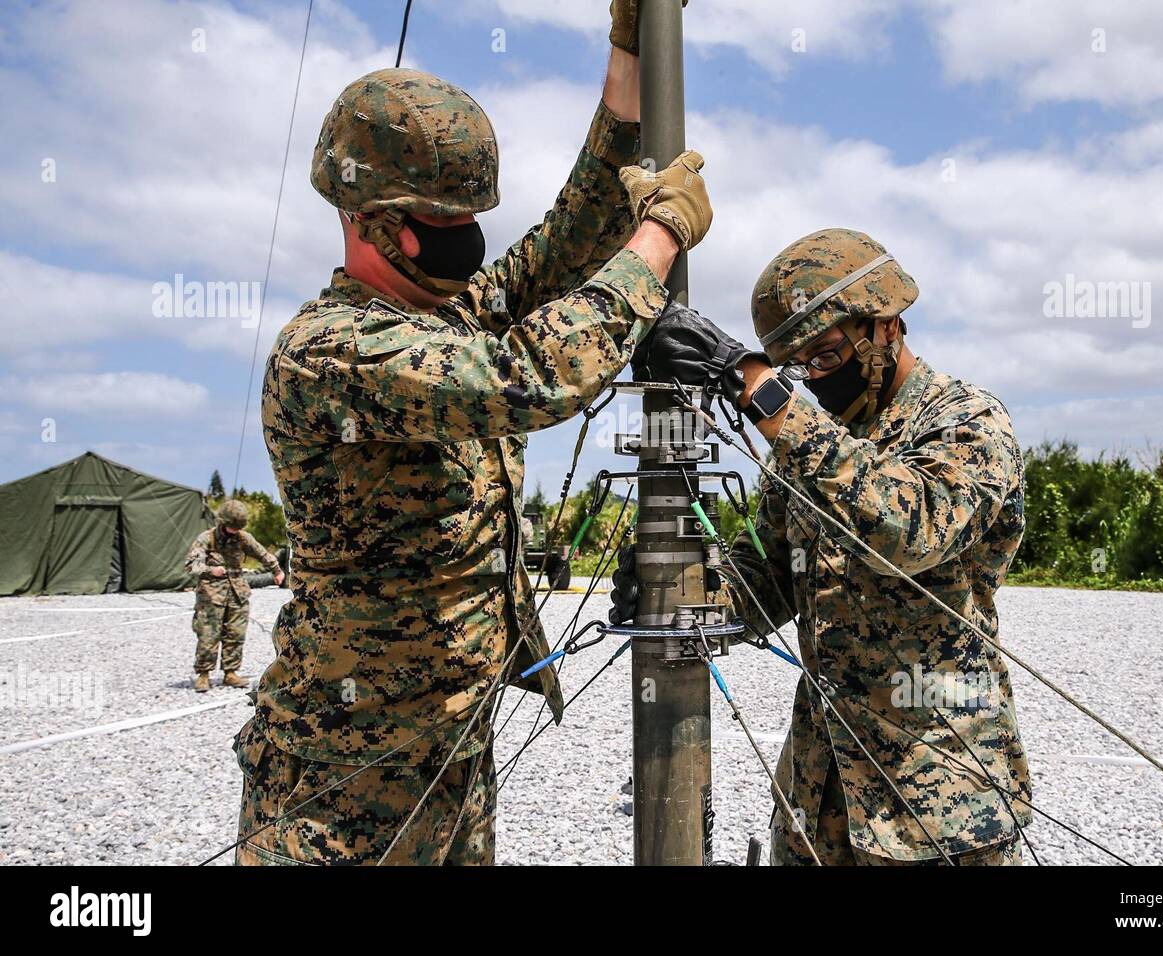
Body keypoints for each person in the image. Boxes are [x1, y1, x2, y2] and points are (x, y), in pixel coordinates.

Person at [234, 2, 712, 865]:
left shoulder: (444, 315)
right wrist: (661, 236)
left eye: (469, 219)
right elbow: (528, 377)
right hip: (340, 788)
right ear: (371, 223)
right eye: (443, 225)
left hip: (448, 756)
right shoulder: (332, 351)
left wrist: (630, 45)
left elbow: (567, 239)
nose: (467, 243)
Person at [616, 227, 1032, 865]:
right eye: (799, 366)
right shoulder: (815, 443)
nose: (813, 377)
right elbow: (775, 578)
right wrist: (681, 592)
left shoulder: (967, 421)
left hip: (936, 790)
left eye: (828, 356)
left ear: (887, 324)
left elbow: (915, 530)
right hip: (820, 784)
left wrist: (763, 391)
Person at [187, 499, 283, 693]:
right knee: (208, 635)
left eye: (236, 527)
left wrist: (277, 570)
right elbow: (191, 565)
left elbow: (262, 553)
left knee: (236, 634)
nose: (233, 530)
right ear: (222, 522)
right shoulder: (207, 538)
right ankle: (204, 674)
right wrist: (210, 570)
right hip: (211, 594)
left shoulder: (243, 537)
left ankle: (230, 673)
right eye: (231, 526)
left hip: (238, 593)